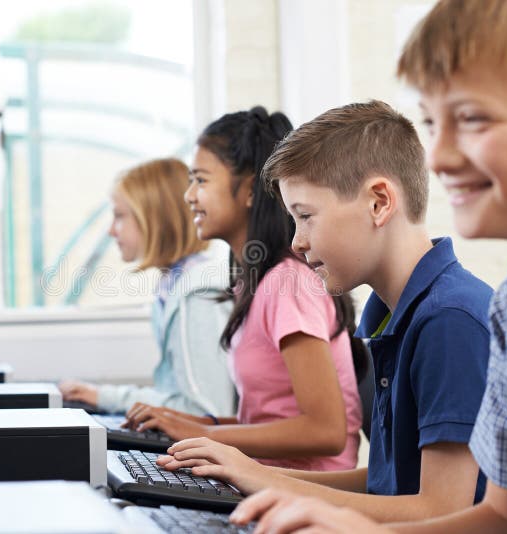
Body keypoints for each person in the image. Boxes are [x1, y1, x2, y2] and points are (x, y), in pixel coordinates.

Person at [228, 1, 507, 531]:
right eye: (429, 121)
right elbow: (505, 520)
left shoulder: (454, 317)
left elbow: (443, 504)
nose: (438, 156)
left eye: (471, 119)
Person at [160, 100, 494, 524]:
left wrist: (266, 480)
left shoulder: (449, 320)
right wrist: (254, 475)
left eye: (305, 217)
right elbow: (385, 481)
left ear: (378, 203)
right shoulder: (394, 314)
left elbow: (442, 511)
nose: (297, 242)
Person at [125, 106, 366, 471]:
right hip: (265, 479)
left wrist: (204, 435)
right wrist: (196, 425)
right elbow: (268, 423)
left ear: (251, 190)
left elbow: (327, 430)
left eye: (201, 180)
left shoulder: (288, 283)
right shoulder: (254, 283)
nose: (189, 195)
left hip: (305, 493)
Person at [60, 158, 236, 417]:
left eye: (120, 216)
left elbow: (205, 411)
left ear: (155, 219)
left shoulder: (195, 294)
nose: (110, 230)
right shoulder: (173, 284)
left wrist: (105, 397)